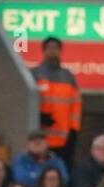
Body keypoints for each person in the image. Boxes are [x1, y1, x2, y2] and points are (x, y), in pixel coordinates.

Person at [31, 37, 82, 168]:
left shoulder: (68, 76)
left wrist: (74, 130)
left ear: (60, 51)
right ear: (43, 51)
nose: (52, 51)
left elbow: (76, 105)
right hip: (40, 136)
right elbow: (27, 101)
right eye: (49, 48)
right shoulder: (34, 74)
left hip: (63, 138)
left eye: (56, 48)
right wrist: (38, 116)